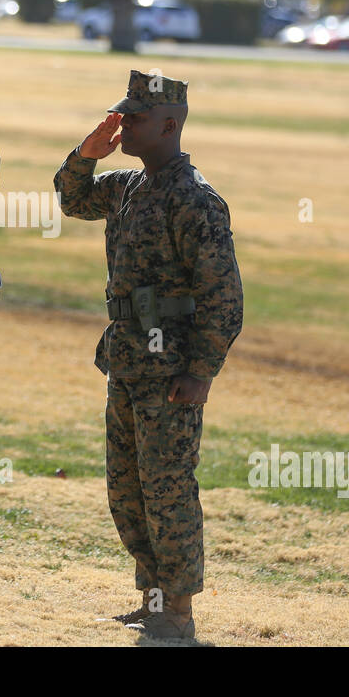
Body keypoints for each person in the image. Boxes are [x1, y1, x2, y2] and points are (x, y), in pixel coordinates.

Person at [53, 69, 243, 640]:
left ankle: (178, 611)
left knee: (167, 487)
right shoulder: (128, 187)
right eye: (124, 114)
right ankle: (152, 597)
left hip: (172, 368)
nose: (125, 124)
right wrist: (85, 153)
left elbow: (224, 298)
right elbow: (73, 198)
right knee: (127, 485)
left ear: (169, 124)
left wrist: (201, 372)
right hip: (128, 360)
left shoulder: (196, 200)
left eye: (135, 117)